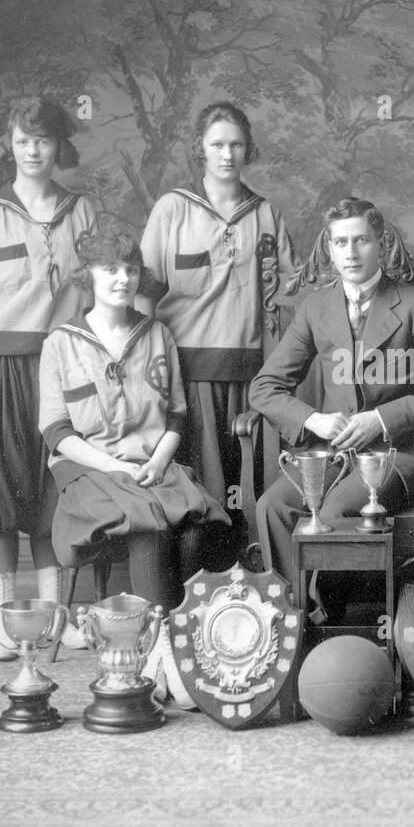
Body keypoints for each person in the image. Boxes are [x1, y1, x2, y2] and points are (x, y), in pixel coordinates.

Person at [38, 225, 230, 703]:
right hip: (88, 469)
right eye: (109, 269)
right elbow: (56, 431)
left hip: (151, 463)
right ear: (89, 276)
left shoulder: (157, 334)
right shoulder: (60, 343)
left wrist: (158, 458)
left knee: (194, 526)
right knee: (148, 525)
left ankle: (181, 646)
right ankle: (157, 657)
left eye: (128, 269)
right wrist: (113, 466)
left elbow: (177, 415)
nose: (121, 279)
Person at [251, 197, 414, 598]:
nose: (350, 253)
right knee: (274, 507)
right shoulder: (316, 308)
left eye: (361, 241)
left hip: (400, 454)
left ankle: (340, 621)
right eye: (340, 242)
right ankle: (295, 615)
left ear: (381, 243)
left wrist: (380, 419)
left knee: (336, 515)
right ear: (329, 249)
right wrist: (313, 420)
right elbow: (264, 387)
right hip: (334, 450)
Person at [0, 97, 96, 659]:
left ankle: (56, 620)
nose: (33, 150)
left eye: (45, 139)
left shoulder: (81, 213)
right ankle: (7, 625)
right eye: (23, 139)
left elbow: (95, 298)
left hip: (61, 365)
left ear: (60, 146)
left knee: (51, 491)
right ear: (7, 144)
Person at [136, 103, 296, 549]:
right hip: (188, 374)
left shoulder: (265, 213)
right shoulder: (173, 209)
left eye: (237, 144)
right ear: (201, 150)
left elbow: (292, 293)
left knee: (249, 489)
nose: (228, 154)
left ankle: (250, 593)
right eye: (217, 145)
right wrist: (148, 368)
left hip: (251, 378)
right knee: (200, 497)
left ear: (249, 150)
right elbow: (143, 297)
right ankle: (201, 595)